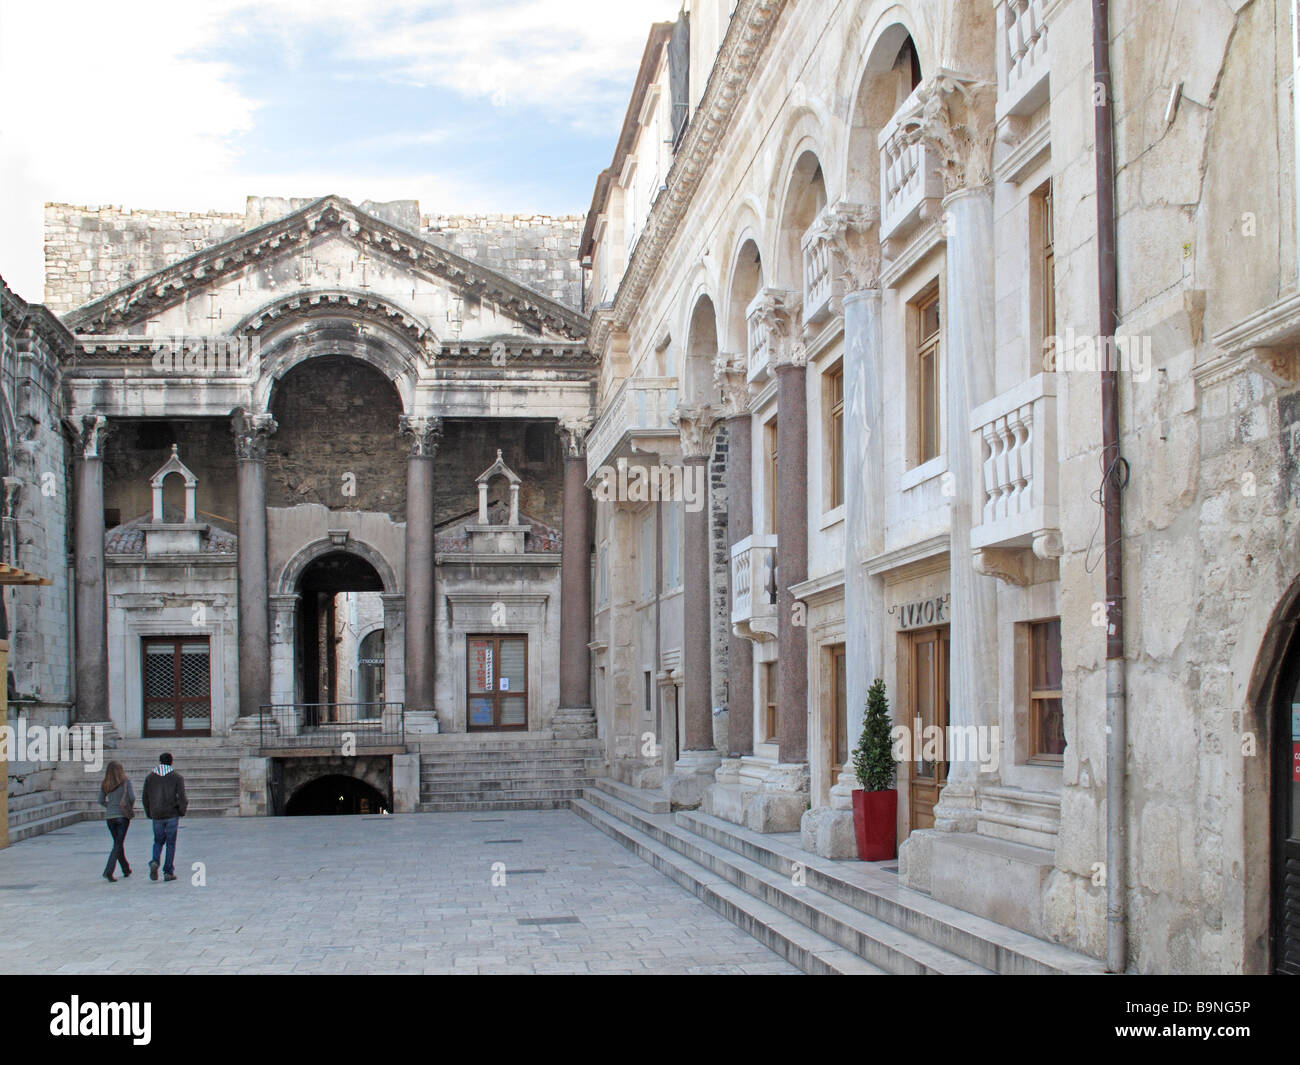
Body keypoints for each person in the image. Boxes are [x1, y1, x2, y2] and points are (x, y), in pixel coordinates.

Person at [142, 752, 187, 882]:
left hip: (156, 814)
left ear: (160, 761)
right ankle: (168, 871)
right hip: (172, 813)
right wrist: (181, 811)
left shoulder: (150, 778)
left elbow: (145, 797)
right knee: (171, 843)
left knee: (157, 840)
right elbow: (182, 797)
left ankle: (155, 860)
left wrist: (149, 812)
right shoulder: (177, 777)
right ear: (171, 762)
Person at [98, 761, 135, 883]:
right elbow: (132, 797)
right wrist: (128, 805)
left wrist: (109, 806)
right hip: (122, 816)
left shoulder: (105, 784)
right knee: (118, 844)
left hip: (110, 817)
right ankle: (109, 870)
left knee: (118, 843)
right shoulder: (125, 782)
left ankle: (125, 868)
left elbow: (100, 800)